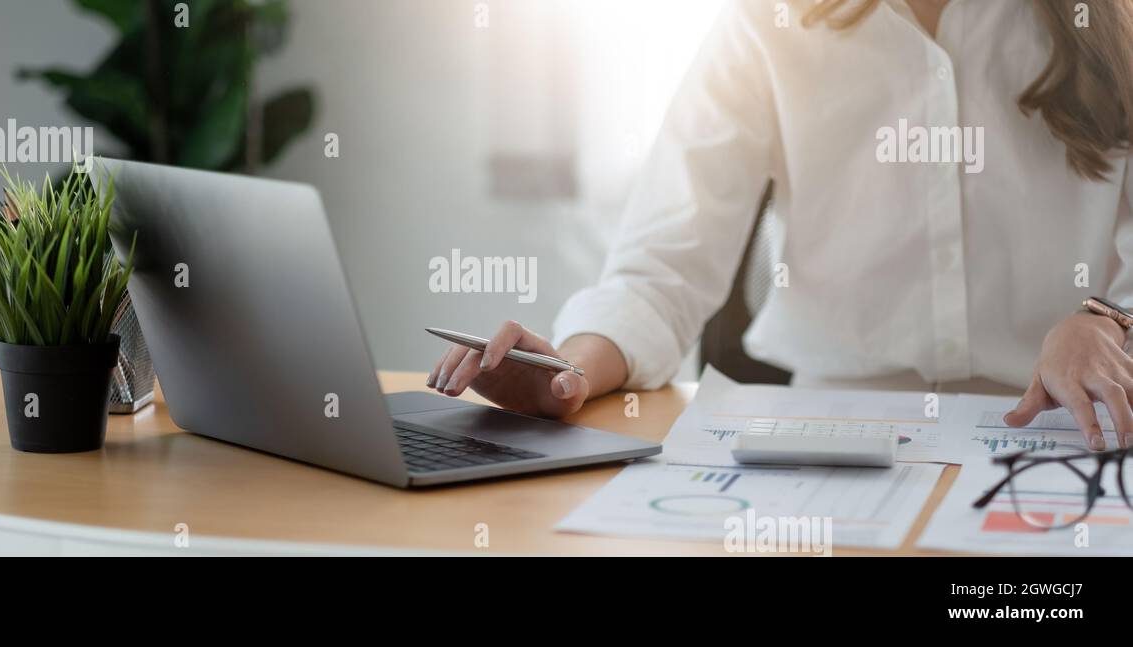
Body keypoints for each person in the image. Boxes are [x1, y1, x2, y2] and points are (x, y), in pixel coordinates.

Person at [426, 0, 1133, 451]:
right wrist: (569, 374)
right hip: (832, 435)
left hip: (1070, 429)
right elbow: (661, 268)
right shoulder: (766, 21)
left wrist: (1109, 323)